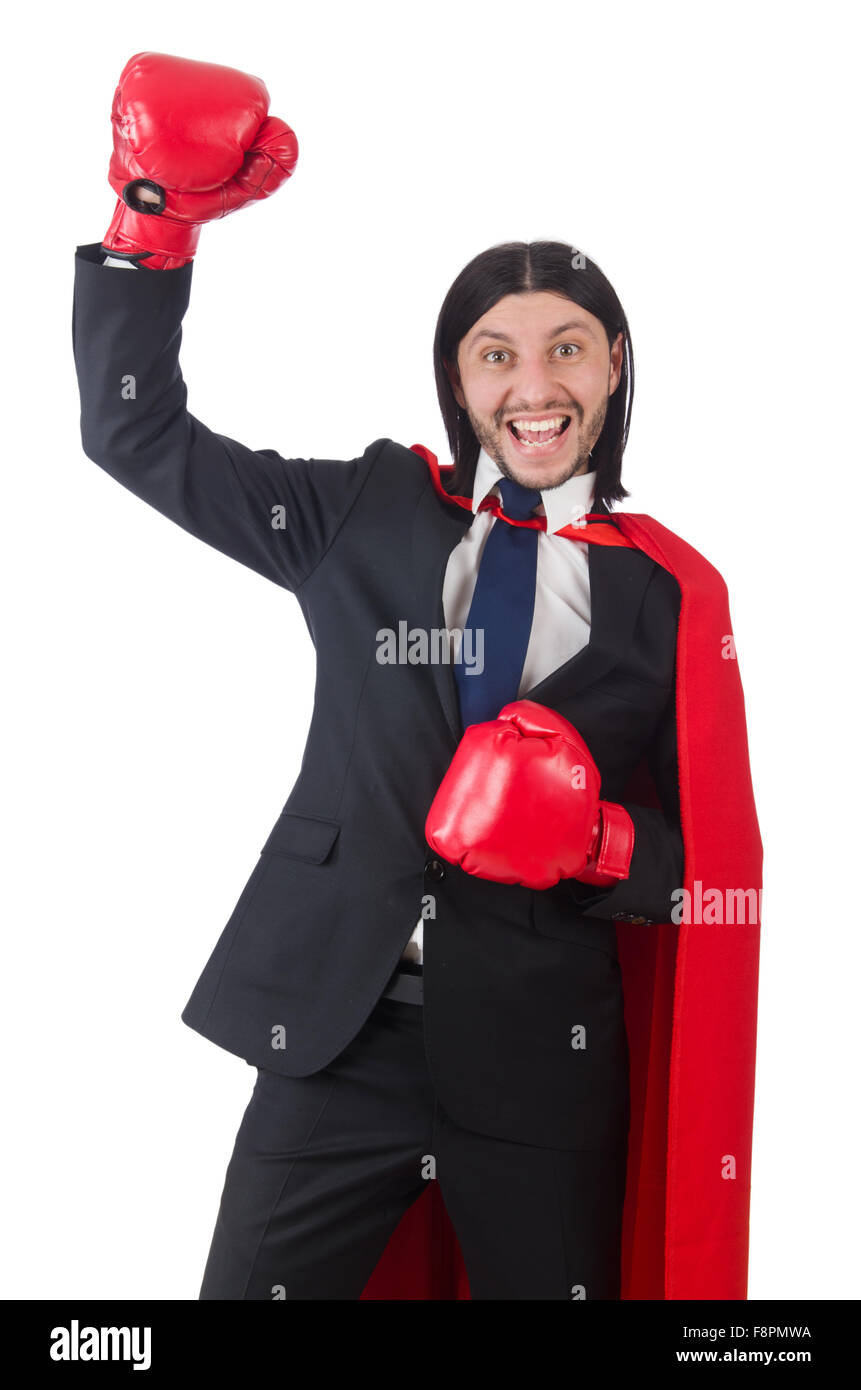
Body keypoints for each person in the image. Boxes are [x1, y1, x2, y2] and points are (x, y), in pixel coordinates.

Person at [72, 51, 762, 1301]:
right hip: (339, 1042)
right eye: (494, 355)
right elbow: (135, 434)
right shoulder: (365, 510)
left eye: (565, 350)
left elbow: (699, 873)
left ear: (613, 362)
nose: (533, 385)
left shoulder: (668, 595)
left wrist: (597, 839)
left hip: (542, 1063)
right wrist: (150, 226)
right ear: (457, 376)